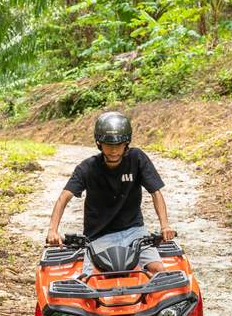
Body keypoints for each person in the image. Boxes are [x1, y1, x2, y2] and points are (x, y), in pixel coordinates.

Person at [46, 111, 175, 275]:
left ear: (126, 143)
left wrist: (165, 225)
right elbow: (64, 197)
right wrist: (52, 230)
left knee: (158, 270)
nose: (114, 151)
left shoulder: (137, 159)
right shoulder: (87, 168)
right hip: (99, 235)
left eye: (118, 145)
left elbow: (156, 193)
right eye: (108, 145)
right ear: (99, 143)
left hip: (135, 231)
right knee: (90, 277)